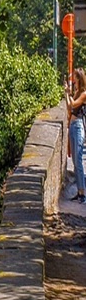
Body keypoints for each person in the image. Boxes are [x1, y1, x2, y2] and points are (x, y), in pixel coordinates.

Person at [67, 68, 86, 203]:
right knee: (74, 161)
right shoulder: (77, 93)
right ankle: (79, 192)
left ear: (79, 79)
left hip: (78, 127)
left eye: (75, 78)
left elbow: (74, 104)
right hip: (73, 126)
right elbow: (69, 107)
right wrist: (67, 94)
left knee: (78, 161)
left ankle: (83, 193)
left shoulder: (84, 94)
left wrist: (69, 94)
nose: (73, 80)